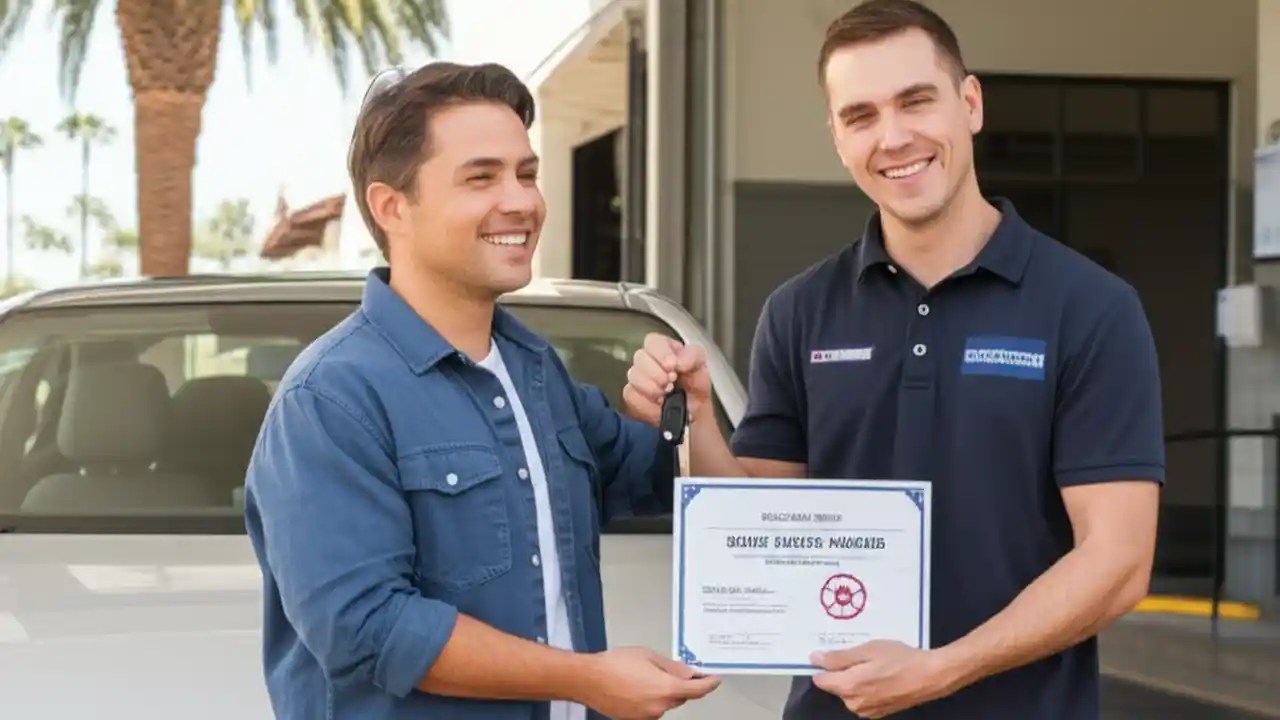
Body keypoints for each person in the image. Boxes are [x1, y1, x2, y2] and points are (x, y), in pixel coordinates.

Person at [622, 1, 1162, 718]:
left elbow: (1118, 563)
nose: (894, 136)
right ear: (838, 138)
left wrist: (943, 669)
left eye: (916, 101)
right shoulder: (799, 310)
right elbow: (762, 518)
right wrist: (695, 424)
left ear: (969, 103)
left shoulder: (1091, 308)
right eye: (861, 115)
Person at [243, 61, 720, 720]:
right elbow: (369, 629)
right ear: (392, 207)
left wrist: (694, 416)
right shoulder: (329, 400)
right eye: (481, 177)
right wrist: (585, 679)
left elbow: (676, 483)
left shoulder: (536, 373)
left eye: (527, 173)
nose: (521, 200)